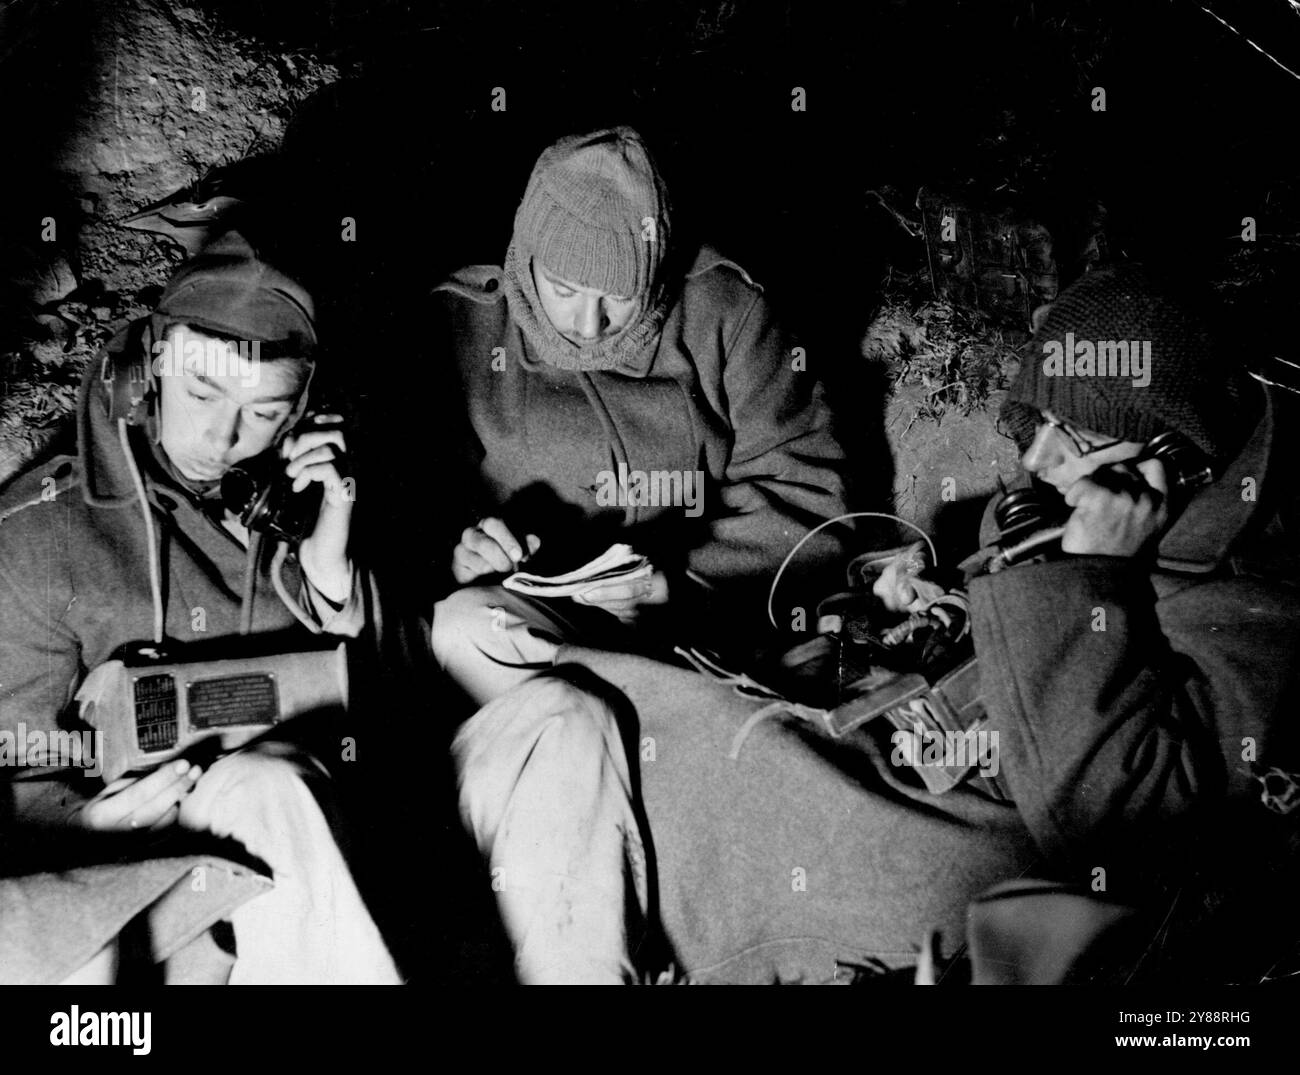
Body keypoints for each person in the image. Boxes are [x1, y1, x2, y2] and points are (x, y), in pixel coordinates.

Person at [452, 265, 1300, 983]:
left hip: (953, 842)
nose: (1035, 461)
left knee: (624, 741)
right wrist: (925, 605)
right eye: (1033, 425)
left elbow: (1115, 822)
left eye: (1069, 437)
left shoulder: (1256, 609)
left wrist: (1085, 574)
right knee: (587, 694)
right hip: (887, 734)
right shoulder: (1110, 508)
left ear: (1173, 461)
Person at [0, 229, 400, 984]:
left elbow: (392, 730)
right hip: (117, 880)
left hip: (275, 864)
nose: (222, 437)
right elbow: (14, 784)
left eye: (263, 412)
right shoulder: (41, 536)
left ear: (302, 414)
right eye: (203, 392)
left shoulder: (305, 513)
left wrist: (331, 566)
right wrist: (89, 819)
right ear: (150, 367)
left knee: (272, 785)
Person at [426, 126, 850, 708]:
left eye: (620, 296)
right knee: (464, 627)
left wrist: (672, 582)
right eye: (563, 287)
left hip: (705, 623)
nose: (588, 324)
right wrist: (465, 548)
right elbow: (416, 497)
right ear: (526, 255)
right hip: (541, 627)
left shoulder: (730, 315)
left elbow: (810, 499)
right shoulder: (465, 326)